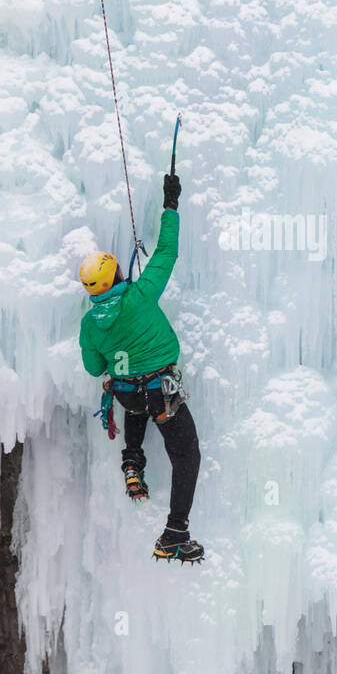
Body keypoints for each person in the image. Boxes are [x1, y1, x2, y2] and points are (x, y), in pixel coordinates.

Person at [78, 172, 203, 563]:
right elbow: (166, 254)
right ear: (116, 276)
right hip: (159, 392)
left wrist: (116, 352)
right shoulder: (139, 296)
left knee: (133, 396)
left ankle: (132, 461)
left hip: (130, 397)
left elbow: (94, 366)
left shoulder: (88, 324)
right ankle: (175, 534)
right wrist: (171, 205)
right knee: (187, 455)